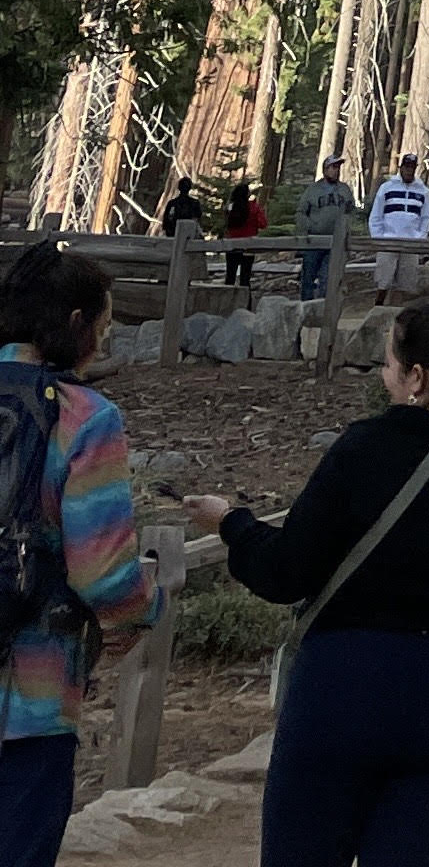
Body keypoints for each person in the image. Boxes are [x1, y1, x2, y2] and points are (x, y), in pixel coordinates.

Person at [187, 292, 429, 867]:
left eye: (390, 362)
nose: (384, 374)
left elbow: (284, 572)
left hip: (347, 685)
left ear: (417, 376)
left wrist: (233, 523)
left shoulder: (362, 449)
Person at [0, 246, 165, 867]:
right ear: (75, 323)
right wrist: (141, 613)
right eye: (102, 323)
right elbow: (103, 574)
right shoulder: (86, 418)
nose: (103, 337)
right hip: (31, 698)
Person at [369, 152, 429, 301]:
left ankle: (401, 312)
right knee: (383, 280)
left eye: (412, 167)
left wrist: (419, 238)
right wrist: (379, 238)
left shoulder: (422, 191)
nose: (409, 171)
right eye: (406, 167)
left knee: (407, 281)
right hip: (388, 241)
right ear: (401, 167)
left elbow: (426, 218)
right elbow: (376, 215)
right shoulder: (387, 188)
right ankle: (378, 310)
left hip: (411, 242)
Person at [295, 158, 356, 306]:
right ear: (325, 169)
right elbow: (301, 212)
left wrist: (347, 231)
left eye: (338, 167)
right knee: (308, 277)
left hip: (335, 242)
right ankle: (305, 308)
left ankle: (323, 309)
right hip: (314, 241)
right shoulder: (313, 190)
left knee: (328, 278)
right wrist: (307, 229)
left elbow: (351, 211)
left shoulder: (344, 190)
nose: (336, 170)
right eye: (333, 167)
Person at [221, 181, 268, 290]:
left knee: (230, 276)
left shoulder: (230, 207)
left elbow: (226, 224)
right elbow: (263, 224)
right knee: (245, 279)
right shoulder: (254, 208)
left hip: (232, 245)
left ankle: (227, 302)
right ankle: (245, 303)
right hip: (248, 247)